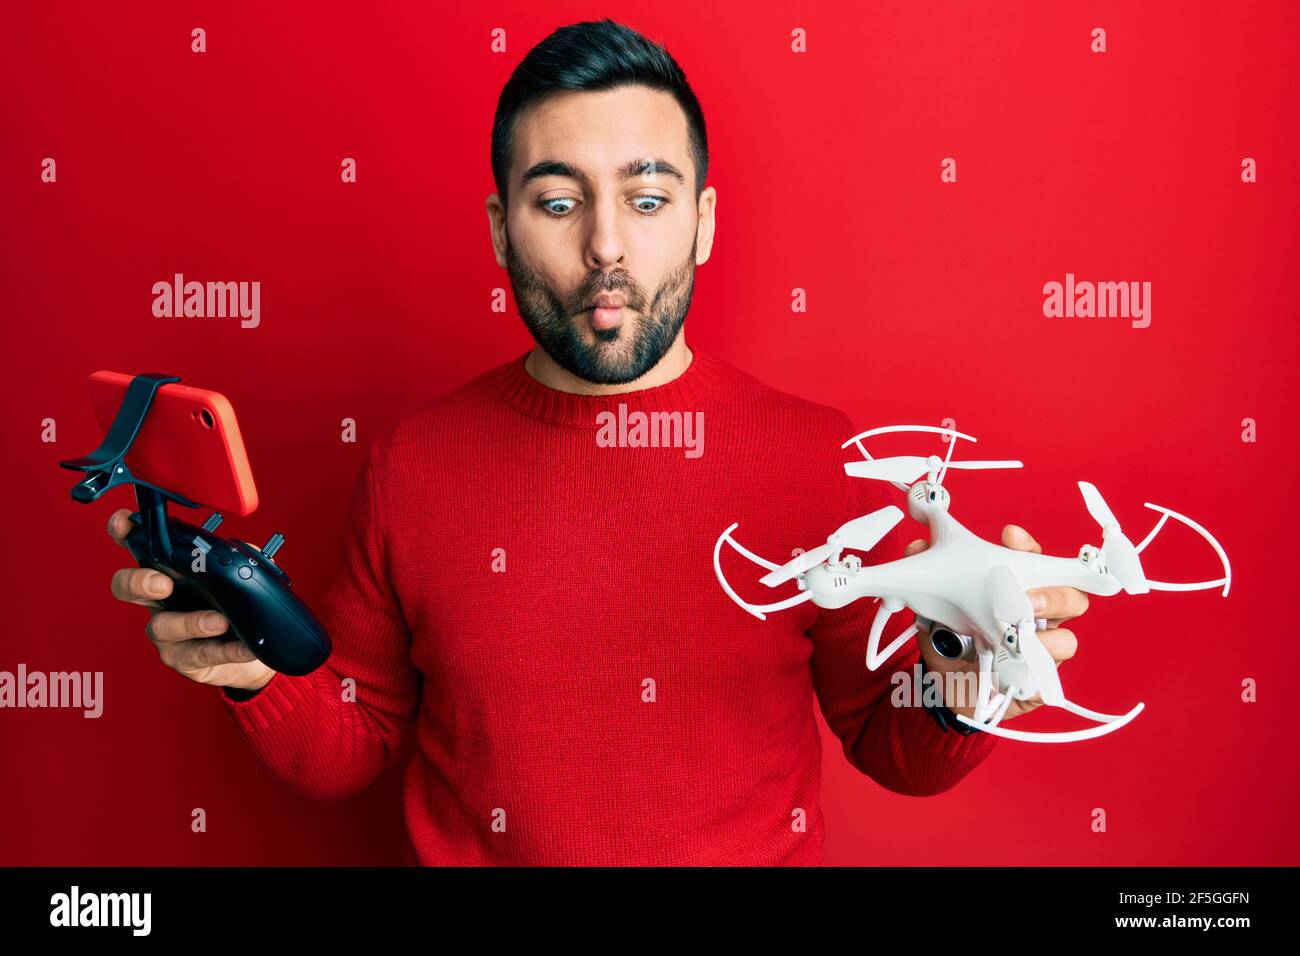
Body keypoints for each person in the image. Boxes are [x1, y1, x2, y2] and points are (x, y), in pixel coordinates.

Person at [106, 18, 1087, 866]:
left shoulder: (815, 457)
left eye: (648, 198)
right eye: (560, 201)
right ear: (500, 229)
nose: (607, 246)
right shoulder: (414, 460)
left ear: (702, 223)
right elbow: (354, 740)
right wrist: (256, 673)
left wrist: (967, 685)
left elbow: (893, 747)